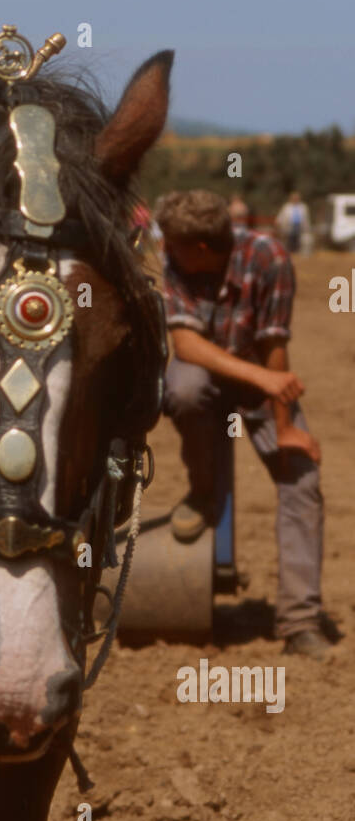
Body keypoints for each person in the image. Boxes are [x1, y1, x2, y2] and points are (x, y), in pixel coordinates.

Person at [157, 189, 328, 659]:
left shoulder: (269, 257)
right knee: (184, 389)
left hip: (261, 383)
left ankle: (299, 621)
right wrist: (264, 376)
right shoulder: (175, 261)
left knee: (303, 481)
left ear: (204, 250)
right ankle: (203, 491)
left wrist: (287, 427)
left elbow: (275, 343)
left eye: (173, 246)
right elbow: (186, 347)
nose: (165, 252)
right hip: (212, 377)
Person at [275, 190, 313, 256]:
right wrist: (278, 221)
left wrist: (308, 227)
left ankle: (298, 252)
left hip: (299, 225)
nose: (295, 199)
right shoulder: (287, 207)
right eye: (294, 198)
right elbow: (281, 215)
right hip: (289, 225)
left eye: (297, 198)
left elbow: (306, 218)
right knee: (290, 238)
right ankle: (290, 252)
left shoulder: (303, 207)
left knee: (299, 239)